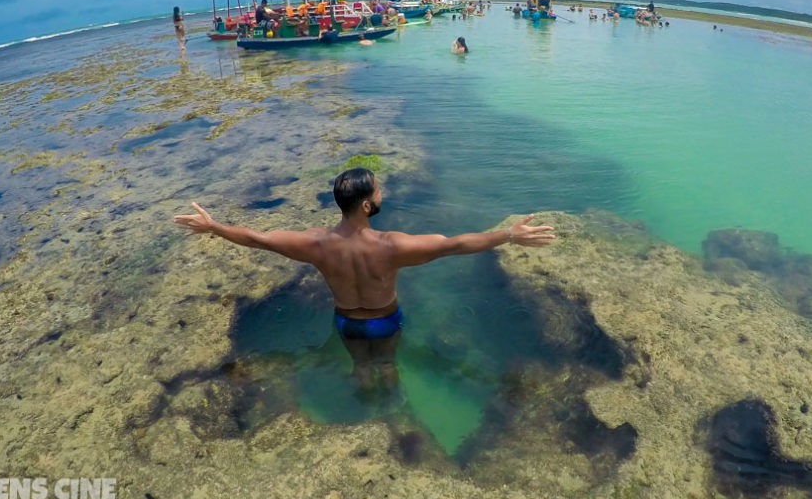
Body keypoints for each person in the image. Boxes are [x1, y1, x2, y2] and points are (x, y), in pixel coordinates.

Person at [174, 168, 553, 391]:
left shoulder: (315, 244)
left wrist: (213, 227)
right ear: (368, 205)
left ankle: (366, 396)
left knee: (359, 367)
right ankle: (390, 400)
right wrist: (507, 235)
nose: (381, 192)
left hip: (347, 323)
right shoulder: (392, 247)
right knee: (387, 363)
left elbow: (259, 239)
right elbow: (453, 244)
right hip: (385, 321)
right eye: (378, 189)